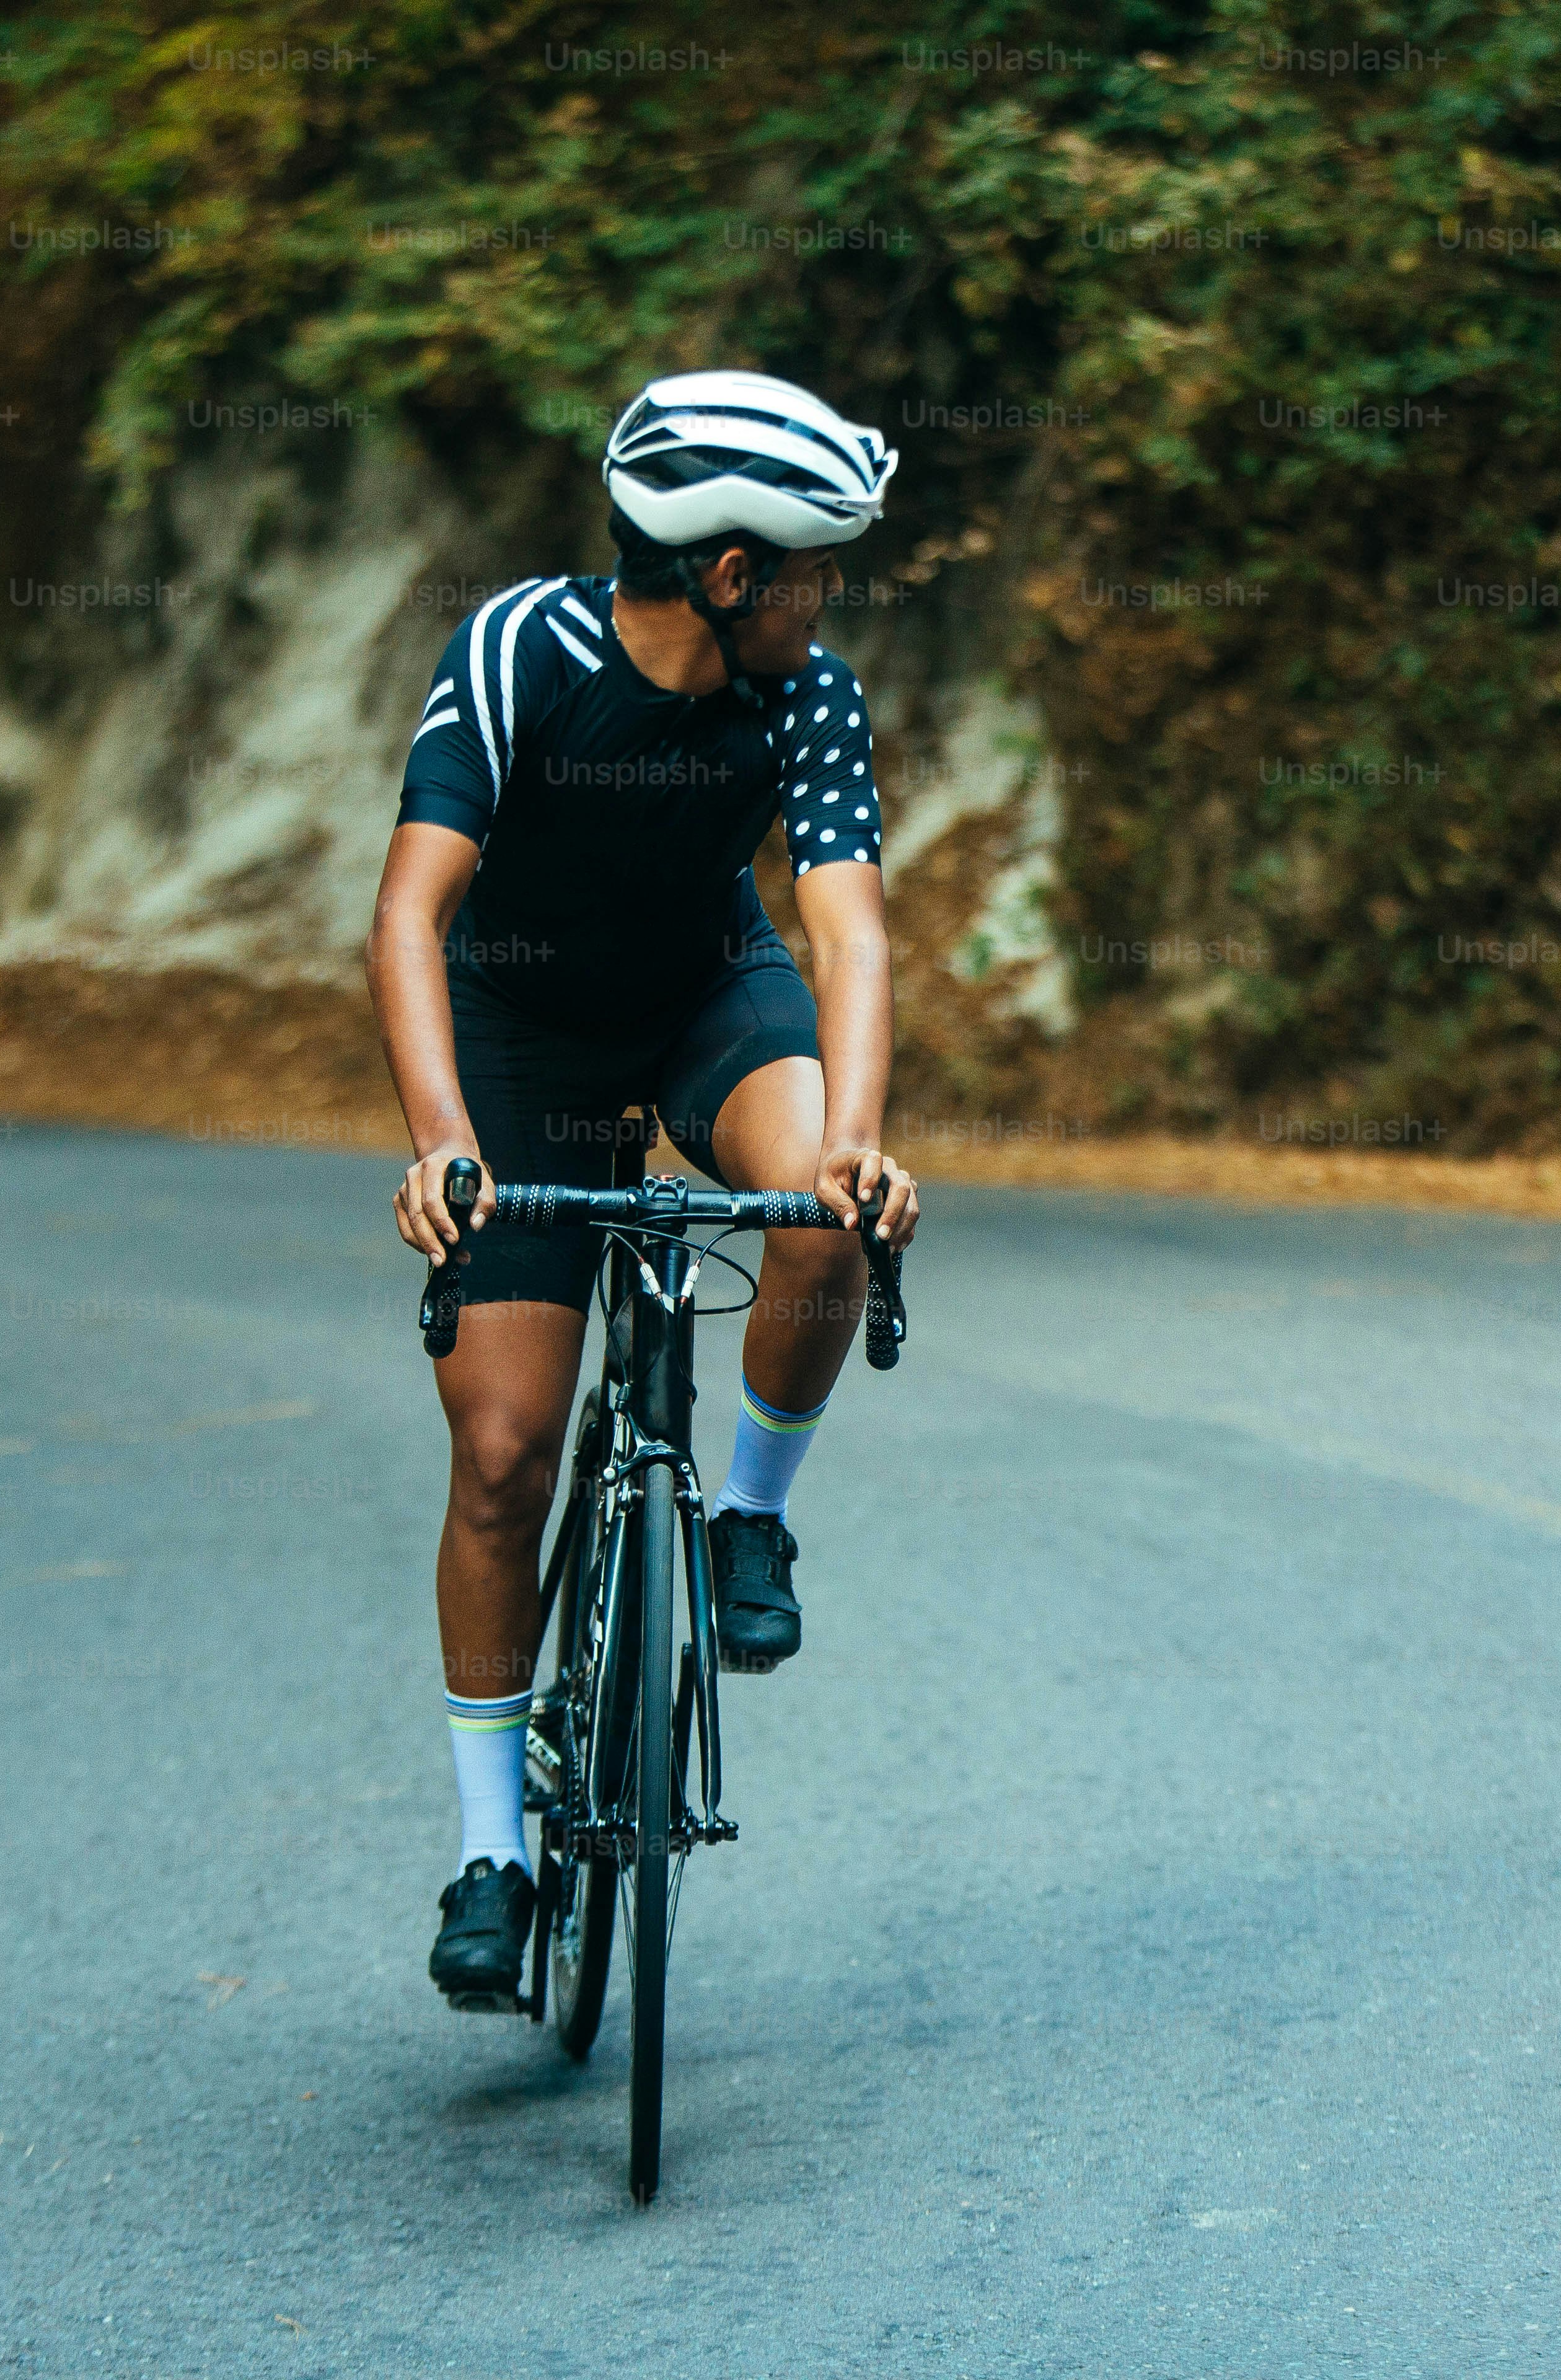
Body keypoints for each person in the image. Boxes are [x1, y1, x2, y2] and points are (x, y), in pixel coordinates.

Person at [365, 371, 923, 2007]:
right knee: (504, 1450)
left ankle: (751, 1517)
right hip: (523, 1036)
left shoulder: (806, 695)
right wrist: (440, 1139)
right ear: (731, 574)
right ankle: (495, 1852)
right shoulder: (521, 652)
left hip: (705, 999)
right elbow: (411, 916)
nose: (830, 601)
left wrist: (863, 1137)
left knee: (822, 1207)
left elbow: (850, 931)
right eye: (815, 569)